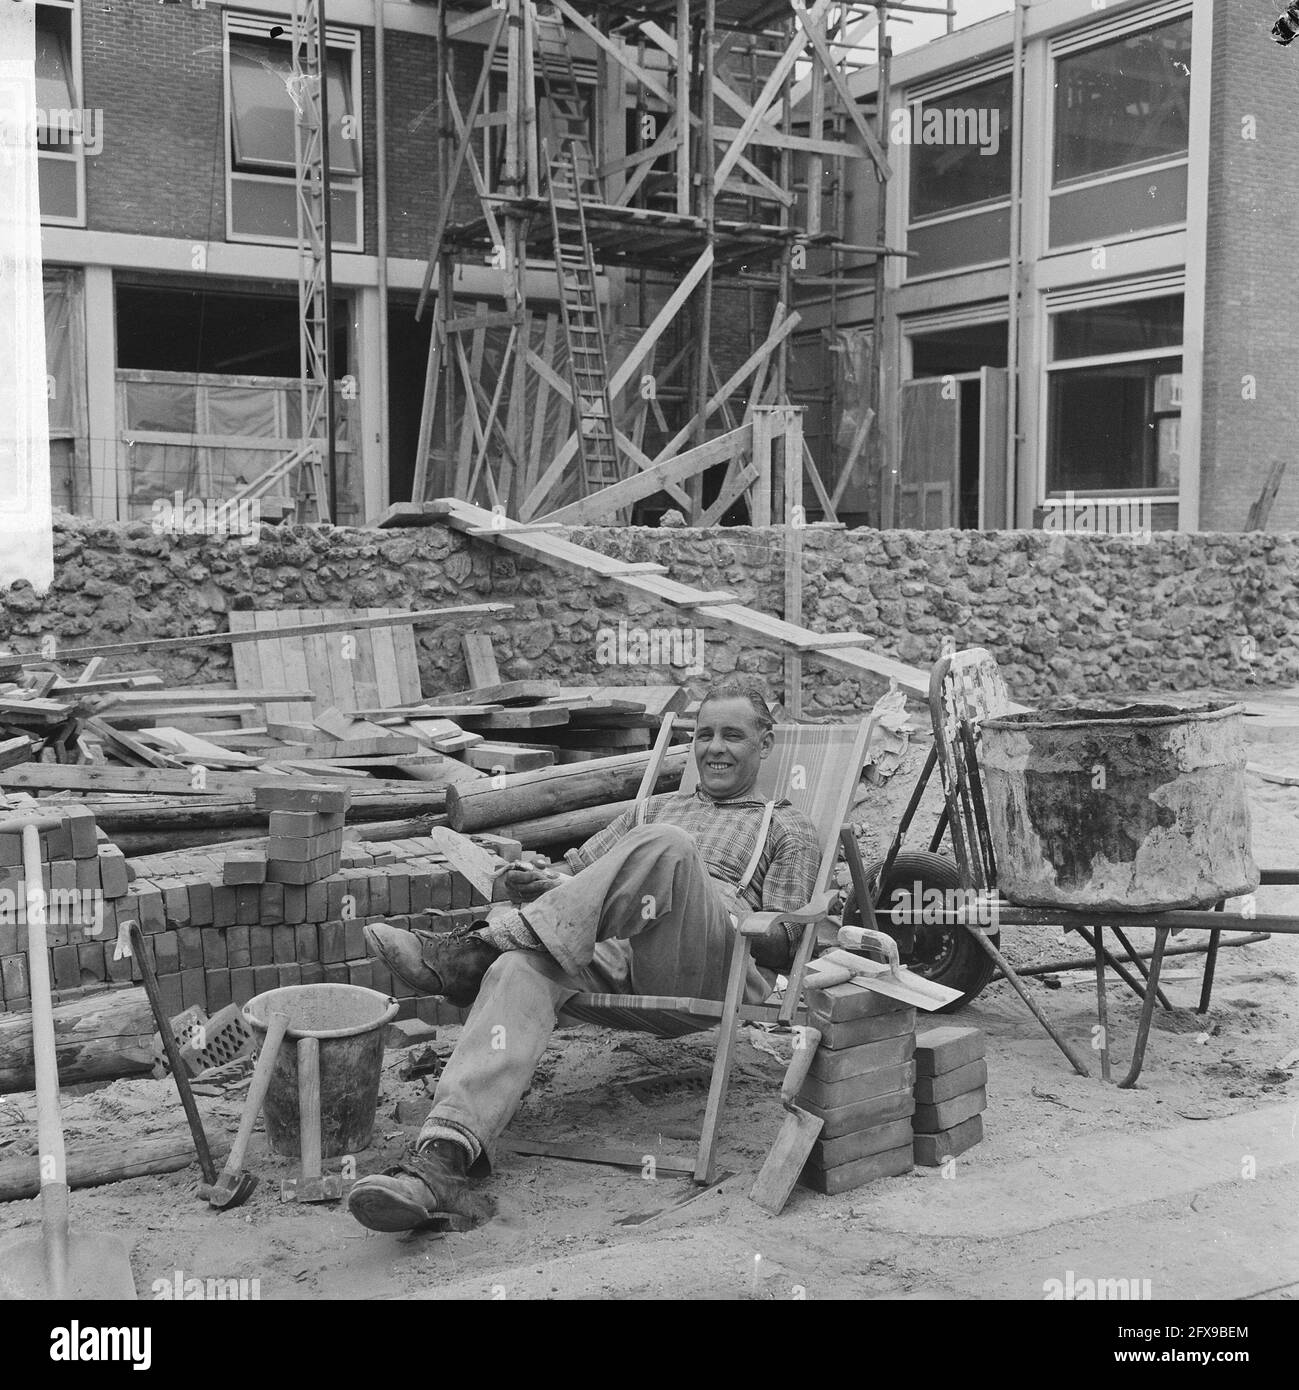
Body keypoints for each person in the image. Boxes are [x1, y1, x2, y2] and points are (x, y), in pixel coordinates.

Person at [346, 680, 822, 1232]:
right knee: (518, 966)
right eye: (704, 734)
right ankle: (441, 1163)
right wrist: (541, 880)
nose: (714, 747)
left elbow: (787, 945)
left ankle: (470, 953)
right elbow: (576, 871)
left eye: (733, 736)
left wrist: (726, 912)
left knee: (668, 845)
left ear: (764, 745)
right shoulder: (655, 806)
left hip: (714, 961)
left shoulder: (787, 826)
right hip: (618, 954)